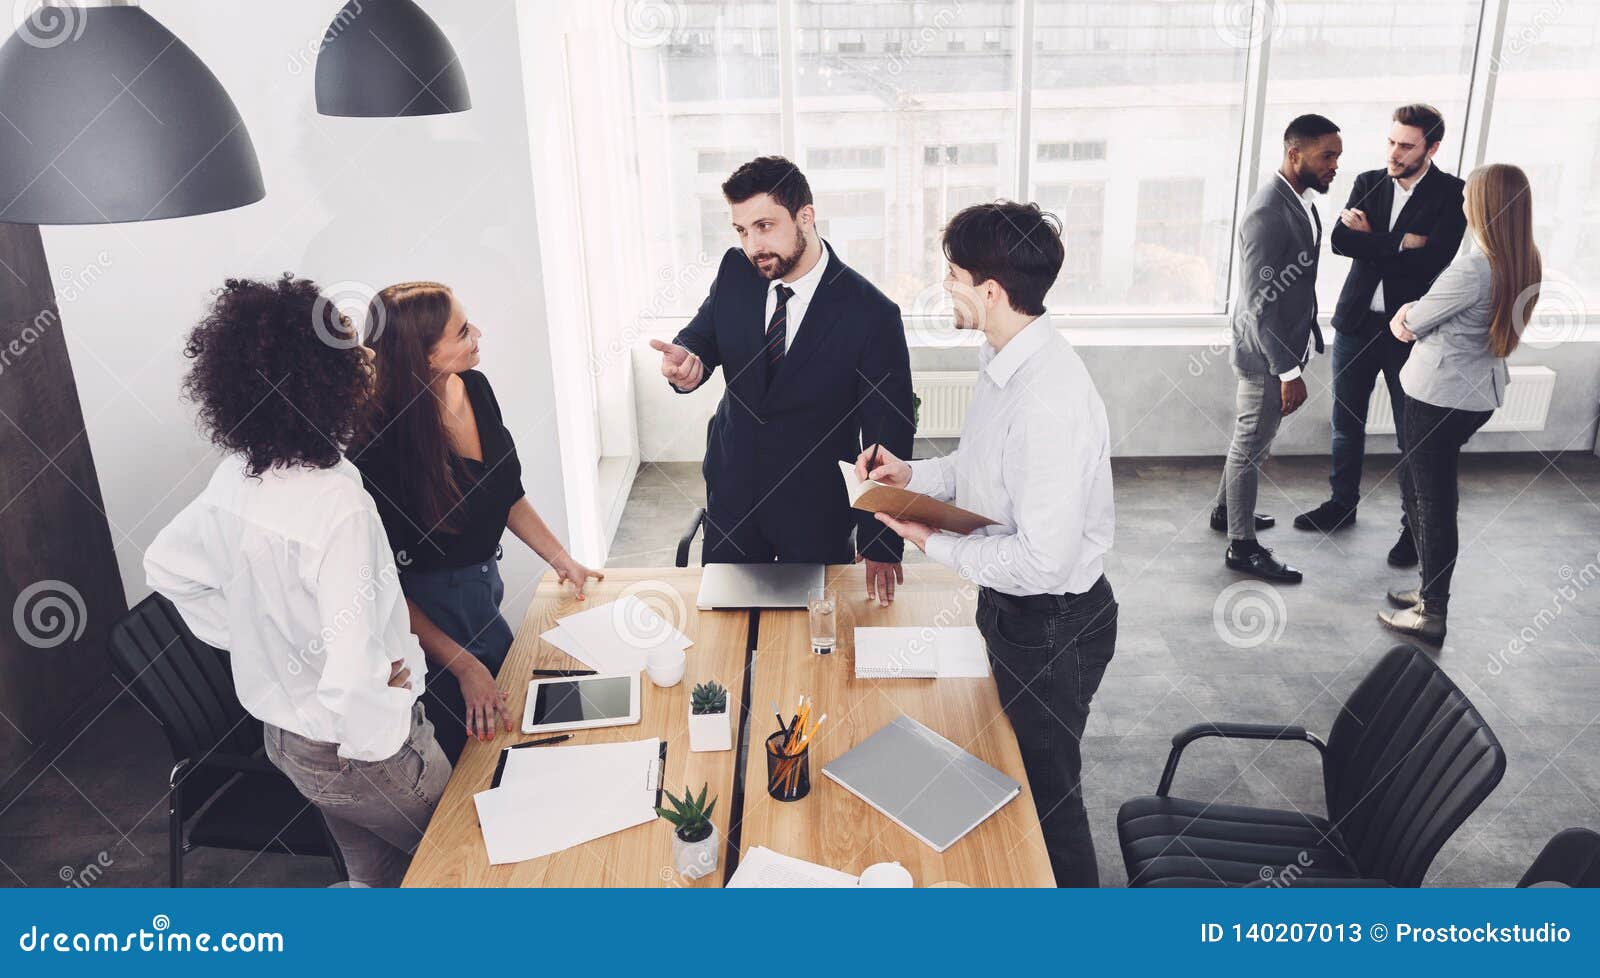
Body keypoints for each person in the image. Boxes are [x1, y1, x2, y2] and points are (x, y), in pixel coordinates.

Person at [145, 275, 447, 888]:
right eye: (347, 345)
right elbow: (353, 678)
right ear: (321, 380)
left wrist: (263, 641)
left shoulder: (236, 476)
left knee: (379, 882)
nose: (364, 353)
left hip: (290, 746)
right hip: (367, 754)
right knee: (476, 866)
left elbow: (165, 566)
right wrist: (381, 710)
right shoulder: (337, 508)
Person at [865, 201, 1116, 887]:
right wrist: (912, 476)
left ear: (991, 292)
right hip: (1016, 613)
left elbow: (1042, 561)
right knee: (1011, 768)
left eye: (952, 276)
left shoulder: (1048, 402)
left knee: (1047, 796)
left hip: (1052, 624)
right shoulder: (1005, 358)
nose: (944, 288)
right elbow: (980, 473)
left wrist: (932, 545)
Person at [351, 282, 601, 763]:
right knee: (474, 757)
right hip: (429, 628)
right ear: (421, 356)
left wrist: (562, 559)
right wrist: (464, 668)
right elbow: (388, 593)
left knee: (522, 722)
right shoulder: (378, 450)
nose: (478, 334)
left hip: (483, 599)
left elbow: (504, 494)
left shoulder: (475, 388)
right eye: (463, 331)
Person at [648, 156, 914, 604]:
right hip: (733, 491)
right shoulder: (736, 273)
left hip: (815, 507)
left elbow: (887, 435)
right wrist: (686, 361)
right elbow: (703, 335)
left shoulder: (871, 314)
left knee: (811, 641)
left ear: (805, 217)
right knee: (727, 628)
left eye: (765, 226)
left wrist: (880, 541)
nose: (753, 245)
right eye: (741, 230)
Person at [1296, 104, 1467, 572]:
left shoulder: (1453, 194)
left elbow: (1433, 263)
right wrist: (1401, 241)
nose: (1394, 152)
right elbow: (1339, 241)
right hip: (1355, 324)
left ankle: (1413, 528)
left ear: (1431, 148)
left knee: (1411, 434)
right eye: (1391, 141)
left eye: (1406, 145)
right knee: (1345, 423)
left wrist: (1376, 240)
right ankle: (1341, 504)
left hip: (1408, 330)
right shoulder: (1369, 180)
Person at [1379, 164, 1541, 644]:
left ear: (1487, 206)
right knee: (1423, 491)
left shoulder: (1474, 266)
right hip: (1476, 394)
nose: (1463, 202)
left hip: (1439, 395)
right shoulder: (1524, 258)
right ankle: (1429, 589)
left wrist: (1406, 313)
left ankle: (1432, 611)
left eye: (1470, 196)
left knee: (1431, 501)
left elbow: (1414, 320)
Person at [1214, 114, 1342, 584]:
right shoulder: (1268, 212)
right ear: (1295, 154)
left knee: (1250, 439)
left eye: (1337, 157)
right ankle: (1241, 546)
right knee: (1250, 447)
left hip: (1279, 346)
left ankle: (1226, 513)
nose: (1334, 166)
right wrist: (1288, 370)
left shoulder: (1298, 201)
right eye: (1327, 155)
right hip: (1266, 354)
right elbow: (1257, 305)